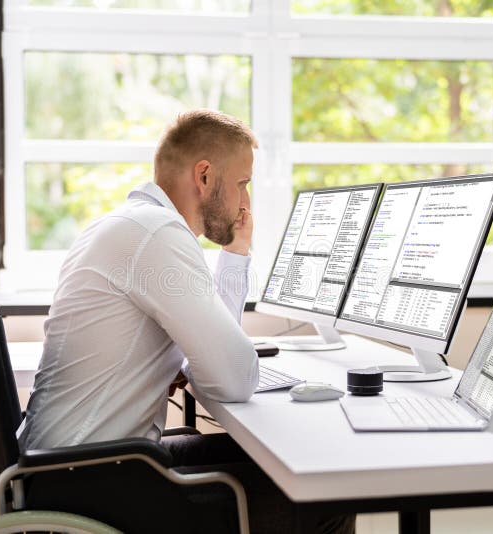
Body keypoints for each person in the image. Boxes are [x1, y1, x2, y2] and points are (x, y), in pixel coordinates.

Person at [18, 109, 354, 534]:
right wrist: (203, 361)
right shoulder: (156, 234)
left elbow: (216, 355)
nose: (246, 203)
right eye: (242, 184)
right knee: (326, 493)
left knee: (282, 461)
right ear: (205, 176)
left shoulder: (130, 223)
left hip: (71, 467)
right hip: (92, 484)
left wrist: (235, 253)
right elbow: (234, 378)